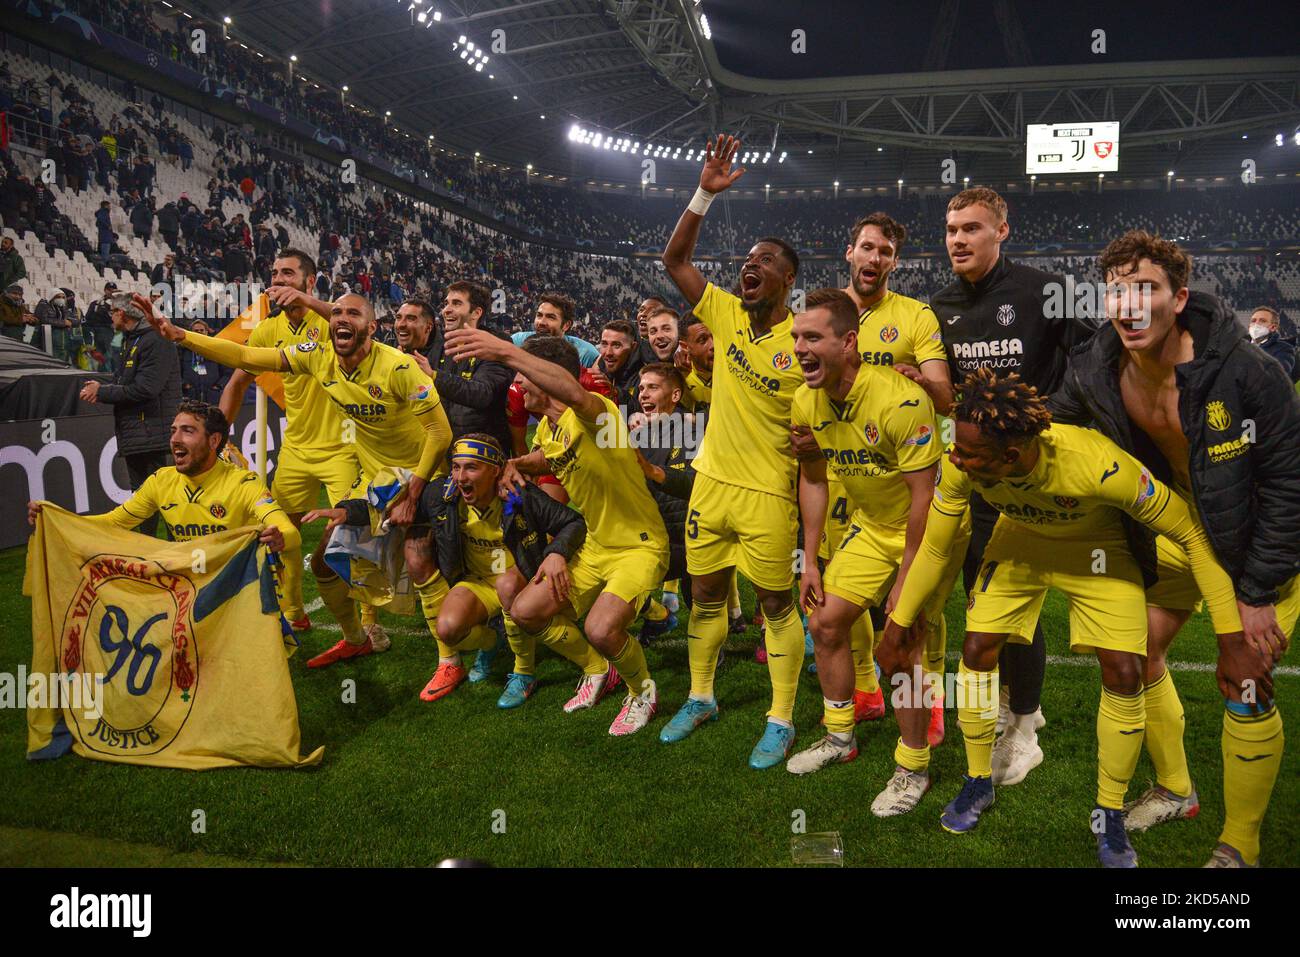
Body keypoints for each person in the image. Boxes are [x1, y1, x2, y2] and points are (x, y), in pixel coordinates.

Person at [882, 368, 1245, 867]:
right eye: (956, 448)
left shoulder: (1098, 465)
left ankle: (1109, 816)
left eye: (966, 453)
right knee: (976, 648)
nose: (954, 458)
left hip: (1097, 548)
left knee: (1123, 669)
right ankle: (976, 782)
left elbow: (1193, 535)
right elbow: (934, 548)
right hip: (1021, 541)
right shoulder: (963, 463)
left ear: (1011, 456)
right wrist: (900, 620)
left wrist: (1232, 637)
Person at [1049, 231, 1298, 868]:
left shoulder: (1247, 371)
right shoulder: (1094, 369)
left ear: (1179, 297)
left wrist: (1258, 593)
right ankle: (1176, 788)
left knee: (1245, 682)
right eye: (1115, 291)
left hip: (1252, 551)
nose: (1127, 305)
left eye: (1144, 289)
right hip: (1174, 537)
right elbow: (1049, 429)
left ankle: (1239, 840)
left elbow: (1288, 484)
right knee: (1140, 651)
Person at [140, 291, 453, 674]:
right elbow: (246, 358)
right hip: (373, 480)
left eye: (353, 313)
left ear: (372, 327)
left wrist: (414, 491)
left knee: (419, 560)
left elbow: (440, 433)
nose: (341, 317)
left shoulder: (400, 367)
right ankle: (358, 639)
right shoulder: (317, 356)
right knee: (324, 563)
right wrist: (182, 336)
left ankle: (448, 659)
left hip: (422, 472)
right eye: (336, 311)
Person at [928, 187, 1098, 786]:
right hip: (982, 476)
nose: (958, 240)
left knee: (1031, 596)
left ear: (1002, 231)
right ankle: (1020, 706)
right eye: (951, 230)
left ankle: (1023, 726)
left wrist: (1050, 415)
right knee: (988, 593)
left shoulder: (1043, 288)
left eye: (972, 229)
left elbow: (1094, 358)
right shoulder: (942, 303)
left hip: (1048, 470)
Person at [659, 133, 809, 768]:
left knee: (777, 604)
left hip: (769, 494)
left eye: (766, 259)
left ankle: (779, 717)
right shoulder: (721, 312)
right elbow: (674, 261)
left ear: (789, 278)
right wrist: (703, 195)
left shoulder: (803, 345)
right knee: (707, 596)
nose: (751, 264)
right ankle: (701, 696)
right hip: (710, 484)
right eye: (748, 258)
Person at [788, 288, 960, 816]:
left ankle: (912, 768)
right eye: (796, 337)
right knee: (825, 624)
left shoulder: (901, 400)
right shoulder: (804, 400)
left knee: (902, 644)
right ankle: (840, 735)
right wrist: (811, 558)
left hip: (929, 528)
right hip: (873, 524)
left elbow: (924, 496)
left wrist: (906, 577)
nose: (799, 348)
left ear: (848, 341)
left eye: (812, 337)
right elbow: (814, 479)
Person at [445, 330, 669, 737]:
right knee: (526, 611)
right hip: (597, 543)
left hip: (640, 545)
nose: (516, 386)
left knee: (602, 629)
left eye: (521, 376)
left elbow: (573, 391)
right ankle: (599, 670)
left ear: (546, 377)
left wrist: (505, 351)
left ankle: (643, 691)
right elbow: (546, 455)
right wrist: (515, 464)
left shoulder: (594, 413)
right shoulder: (548, 430)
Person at [307, 433, 597, 709]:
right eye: (456, 467)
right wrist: (347, 511)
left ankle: (523, 673)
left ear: (496, 471)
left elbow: (573, 522)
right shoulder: (443, 495)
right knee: (448, 629)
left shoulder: (519, 494)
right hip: (478, 582)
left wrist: (556, 552)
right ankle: (494, 641)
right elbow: (394, 504)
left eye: (471, 468)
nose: (460, 477)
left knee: (507, 585)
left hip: (518, 579)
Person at [217, 250, 360, 633]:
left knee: (349, 539)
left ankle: (369, 625)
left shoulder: (329, 318)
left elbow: (357, 320)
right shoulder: (265, 330)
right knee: (279, 533)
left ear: (310, 281)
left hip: (343, 448)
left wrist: (309, 302)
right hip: (296, 448)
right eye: (275, 273)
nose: (279, 279)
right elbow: (236, 383)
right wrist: (218, 435)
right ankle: (294, 614)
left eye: (289, 274)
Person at [28, 401, 297, 560]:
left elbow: (288, 530)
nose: (175, 439)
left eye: (188, 431)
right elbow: (113, 522)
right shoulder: (161, 481)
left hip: (238, 587)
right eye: (173, 431)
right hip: (189, 582)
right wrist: (56, 518)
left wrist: (280, 538)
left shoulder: (244, 484)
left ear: (214, 441)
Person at [79, 292, 181, 537]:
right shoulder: (132, 339)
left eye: (112, 311)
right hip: (138, 431)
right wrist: (101, 387)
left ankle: (177, 550)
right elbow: (125, 380)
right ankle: (147, 550)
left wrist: (102, 392)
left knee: (164, 500)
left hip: (152, 432)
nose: (110, 316)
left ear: (122, 313)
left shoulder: (155, 339)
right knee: (143, 498)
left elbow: (146, 388)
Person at [509, 292, 599, 367]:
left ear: (566, 325)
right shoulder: (517, 341)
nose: (541, 322)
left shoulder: (585, 354)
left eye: (551, 317)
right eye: (539, 315)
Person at [595, 319, 642, 413]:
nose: (608, 353)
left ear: (633, 347)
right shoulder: (599, 371)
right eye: (604, 344)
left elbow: (648, 415)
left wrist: (617, 394)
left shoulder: (645, 376)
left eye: (616, 345)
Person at [1247, 305, 1296, 378]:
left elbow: (1277, 374)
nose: (1256, 324)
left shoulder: (1284, 349)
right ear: (1249, 326)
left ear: (1273, 327)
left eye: (1262, 321)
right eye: (1253, 321)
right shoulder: (1237, 346)